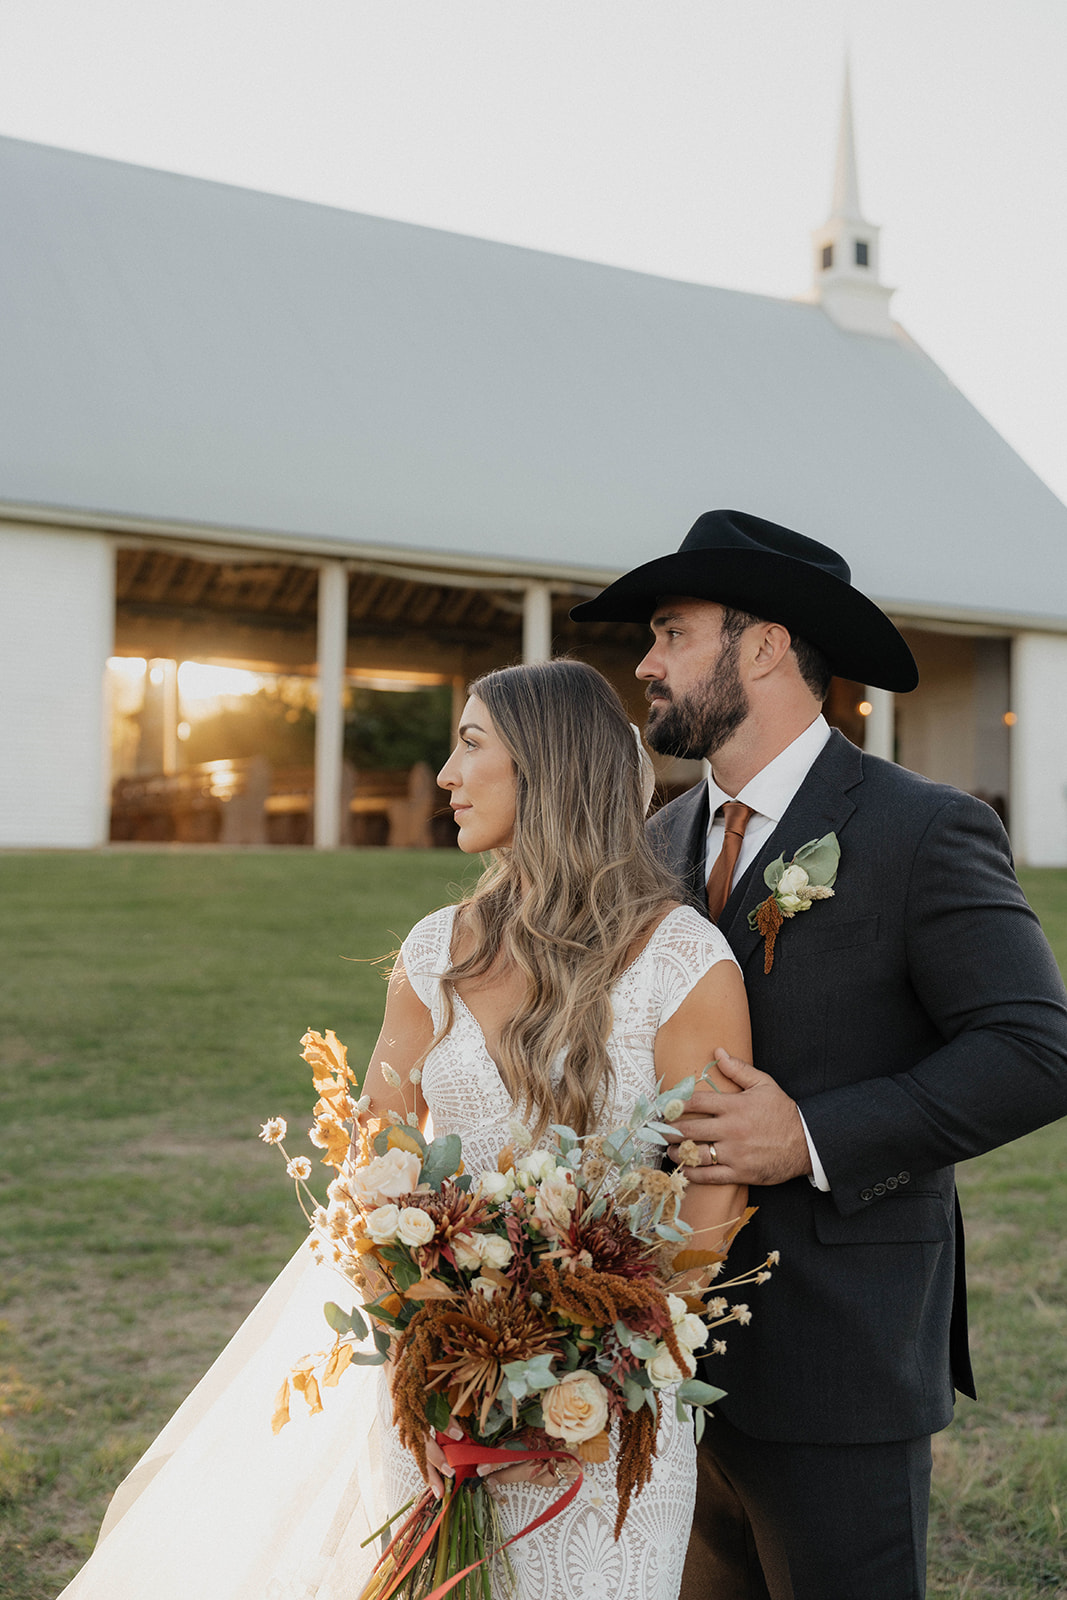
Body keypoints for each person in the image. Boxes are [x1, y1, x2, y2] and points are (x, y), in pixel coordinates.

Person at [58, 658, 752, 1600]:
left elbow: (717, 1181)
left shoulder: (684, 959)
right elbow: (372, 1167)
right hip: (432, 1382)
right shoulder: (437, 949)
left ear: (546, 768)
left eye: (470, 745)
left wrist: (599, 1361)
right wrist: (428, 1355)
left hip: (602, 1407)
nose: (443, 776)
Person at [570, 508, 1067, 1600]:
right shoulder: (652, 847)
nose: (643, 664)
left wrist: (805, 1134)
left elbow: (1035, 1049)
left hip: (840, 1363)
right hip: (662, 1360)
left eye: (668, 629)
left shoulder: (919, 828)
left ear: (763, 646)